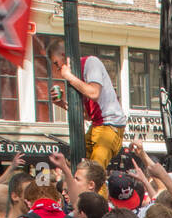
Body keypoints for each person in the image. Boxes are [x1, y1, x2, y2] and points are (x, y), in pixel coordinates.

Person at [48, 40, 128, 168]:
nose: (58, 69)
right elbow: (87, 115)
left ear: (63, 55)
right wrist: (62, 103)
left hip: (109, 125)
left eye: (57, 64)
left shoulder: (91, 62)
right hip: (97, 126)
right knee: (76, 164)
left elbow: (94, 93)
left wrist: (69, 77)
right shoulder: (76, 78)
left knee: (93, 176)